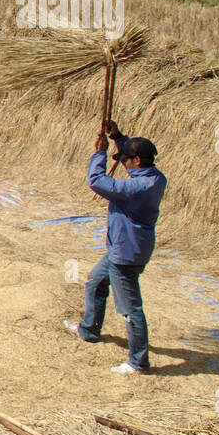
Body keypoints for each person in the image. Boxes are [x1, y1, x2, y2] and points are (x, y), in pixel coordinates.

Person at [65, 121, 167, 374]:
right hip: (122, 247)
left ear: (136, 162)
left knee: (130, 309)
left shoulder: (135, 188)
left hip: (126, 253)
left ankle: (138, 362)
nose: (123, 162)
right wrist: (117, 137)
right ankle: (89, 329)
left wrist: (99, 153)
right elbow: (130, 158)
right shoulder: (155, 177)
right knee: (96, 282)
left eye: (125, 159)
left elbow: (97, 181)